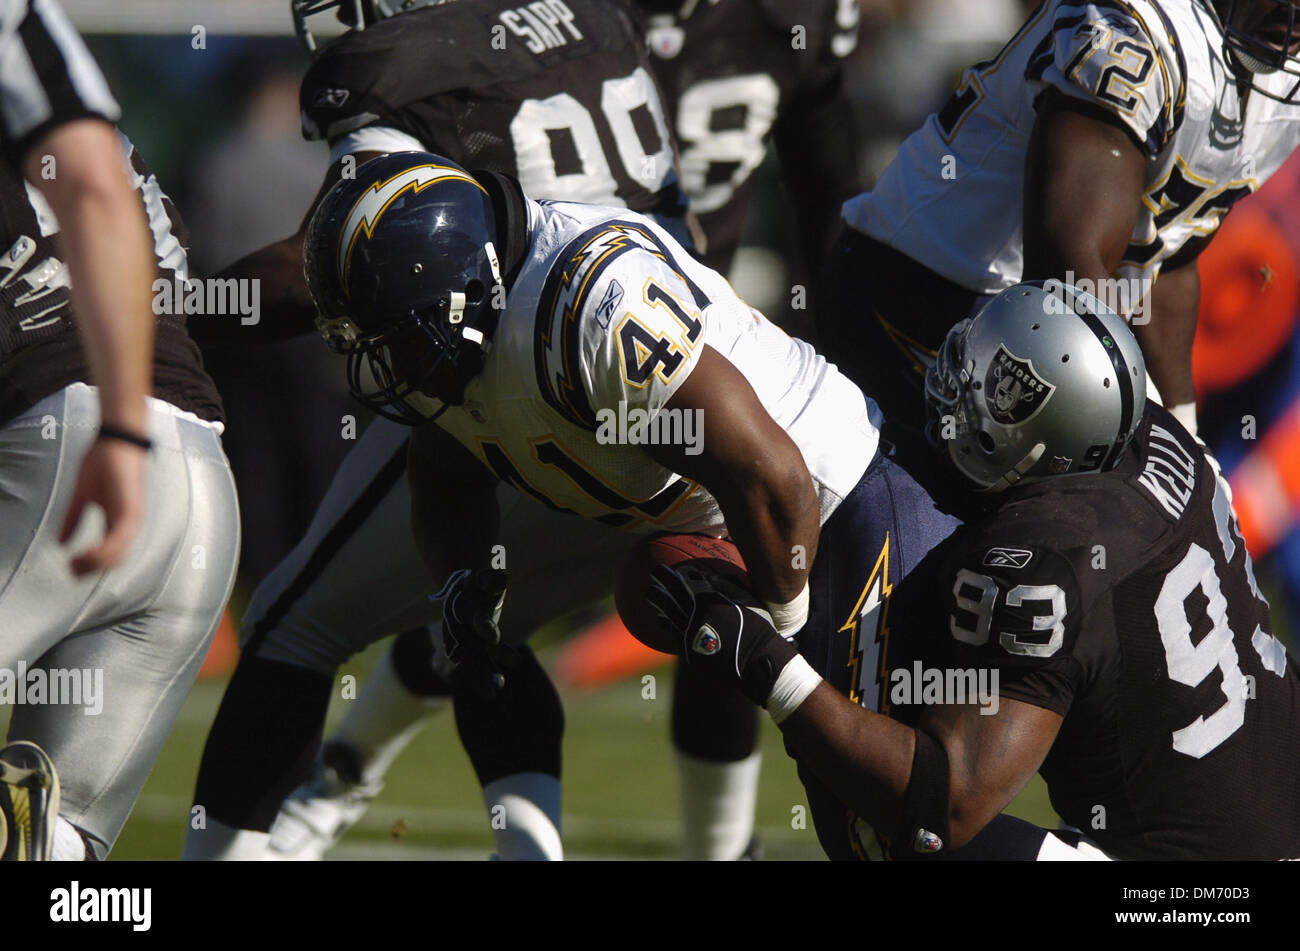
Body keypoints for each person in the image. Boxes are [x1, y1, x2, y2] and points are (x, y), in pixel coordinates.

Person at [308, 0, 869, 864]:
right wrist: (463, 583)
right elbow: (443, 468)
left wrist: (781, 636)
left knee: (887, 800)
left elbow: (774, 475)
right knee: (482, 633)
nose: (383, 362)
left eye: (390, 335)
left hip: (787, 463)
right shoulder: (450, 342)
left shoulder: (580, 308)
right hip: (651, 449)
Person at [184, 0, 696, 862]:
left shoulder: (398, 61)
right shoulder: (593, 16)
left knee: (291, 626)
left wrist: (169, 310)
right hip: (683, 382)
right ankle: (529, 849)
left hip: (533, 380)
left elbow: (325, 268)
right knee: (481, 621)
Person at [647, 280, 1300, 860]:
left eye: (980, 386)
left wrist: (758, 656)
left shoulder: (1042, 563)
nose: (951, 387)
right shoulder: (1156, 434)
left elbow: (943, 807)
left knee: (901, 840)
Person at [818, 0, 1300, 438]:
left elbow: (1165, 261)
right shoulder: (1136, 26)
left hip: (1045, 327)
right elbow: (1064, 271)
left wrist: (1183, 430)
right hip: (924, 299)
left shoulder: (1281, 80)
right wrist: (1150, 433)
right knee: (927, 528)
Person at [0, 0, 238, 859]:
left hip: (73, 448)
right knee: (64, 856)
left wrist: (119, 435)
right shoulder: (62, 100)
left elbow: (92, 190)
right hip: (203, 481)